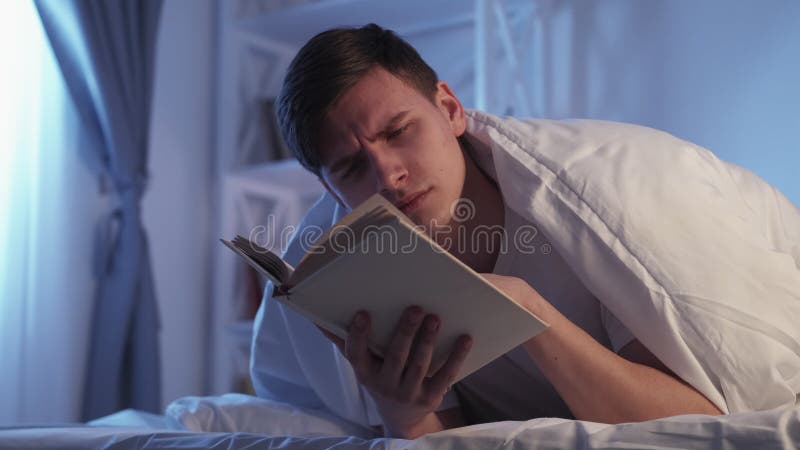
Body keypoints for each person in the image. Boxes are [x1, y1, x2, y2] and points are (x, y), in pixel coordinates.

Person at [250, 23, 800, 439]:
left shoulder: (594, 201)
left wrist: (531, 314)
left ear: (450, 109)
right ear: (330, 191)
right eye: (351, 168)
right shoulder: (366, 273)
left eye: (398, 132)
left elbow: (698, 424)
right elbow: (444, 437)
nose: (387, 175)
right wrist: (403, 410)